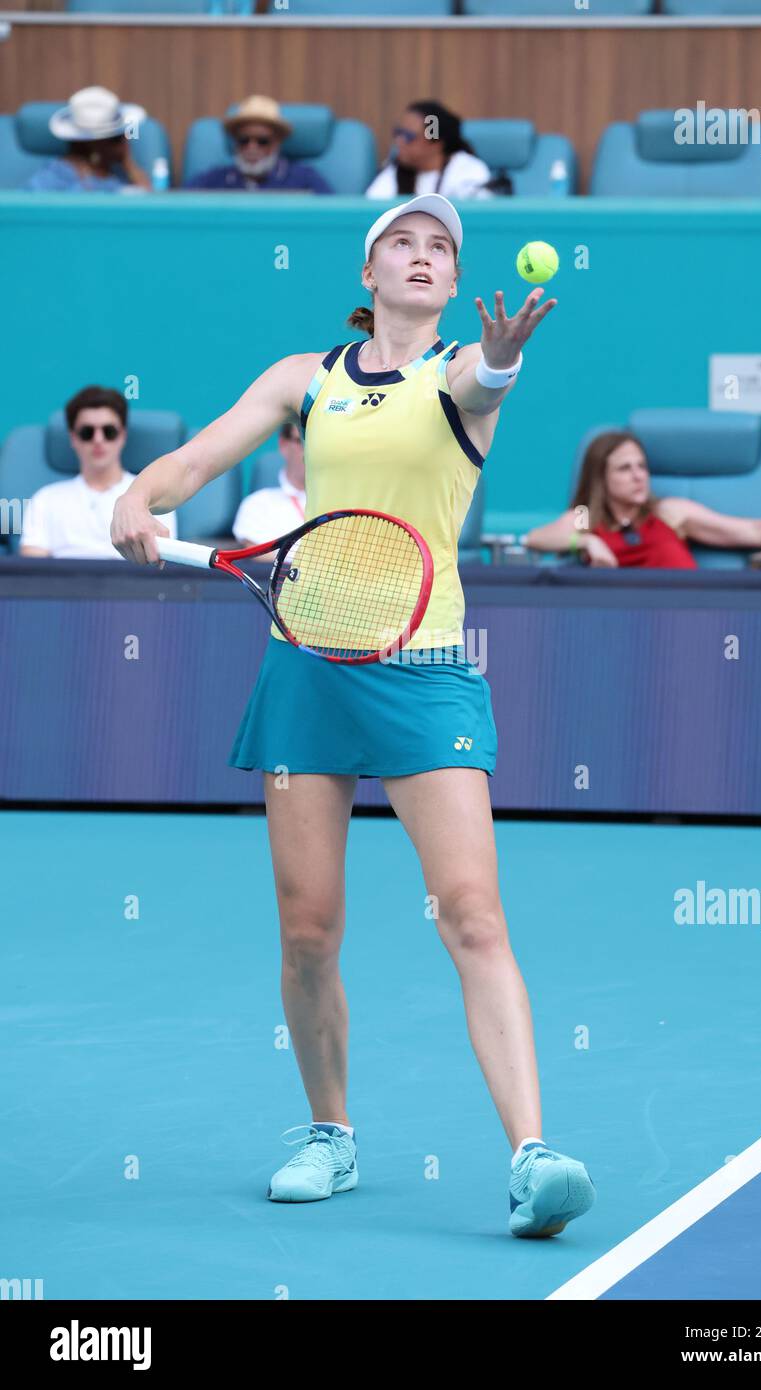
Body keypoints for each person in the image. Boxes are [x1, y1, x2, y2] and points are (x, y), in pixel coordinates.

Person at [110, 192, 596, 1239]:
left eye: (439, 248)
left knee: (470, 912)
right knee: (307, 929)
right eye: (401, 243)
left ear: (454, 284)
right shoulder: (305, 379)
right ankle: (327, 1133)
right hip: (306, 671)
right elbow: (195, 459)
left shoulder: (459, 375)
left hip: (425, 674)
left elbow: (486, 378)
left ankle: (531, 1154)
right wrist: (136, 500)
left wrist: (502, 356)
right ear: (368, 274)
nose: (421, 256)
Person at [523, 431, 761, 567]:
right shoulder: (587, 520)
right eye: (625, 469)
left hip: (688, 618)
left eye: (642, 466)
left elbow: (752, 531)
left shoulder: (670, 513)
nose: (639, 475)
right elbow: (537, 538)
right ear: (602, 477)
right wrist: (584, 542)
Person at [19, 386, 177, 559]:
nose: (98, 440)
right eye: (87, 433)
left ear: (123, 435)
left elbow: (162, 565)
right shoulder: (45, 499)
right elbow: (33, 572)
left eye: (109, 432)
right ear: (73, 438)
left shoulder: (153, 497)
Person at [184, 96, 332, 193]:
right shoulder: (215, 180)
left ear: (277, 142)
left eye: (262, 141)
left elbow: (334, 221)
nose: (251, 147)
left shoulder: (305, 180)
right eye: (244, 140)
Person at [27, 87, 152, 193]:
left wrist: (129, 164)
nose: (124, 144)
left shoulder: (118, 173)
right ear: (93, 144)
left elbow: (149, 204)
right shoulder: (57, 174)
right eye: (117, 138)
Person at [365, 100, 492, 201]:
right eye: (398, 133)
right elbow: (371, 210)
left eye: (408, 136)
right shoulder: (394, 171)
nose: (399, 141)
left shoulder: (467, 171)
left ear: (436, 143)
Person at [232, 421, 306, 561]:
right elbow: (258, 557)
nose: (310, 451)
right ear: (284, 445)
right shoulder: (257, 504)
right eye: (302, 442)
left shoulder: (343, 502)